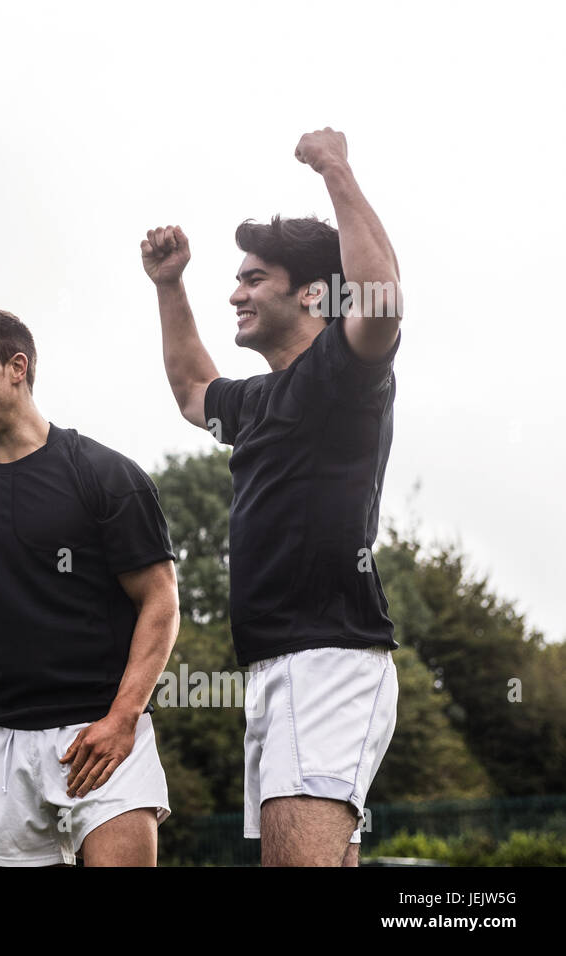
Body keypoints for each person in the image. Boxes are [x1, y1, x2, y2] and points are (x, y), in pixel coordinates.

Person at [142, 127, 403, 866]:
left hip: (327, 660)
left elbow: (381, 296)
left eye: (254, 278)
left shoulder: (344, 371)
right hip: (276, 667)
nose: (237, 292)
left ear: (313, 293)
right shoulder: (257, 401)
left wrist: (334, 168)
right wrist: (170, 287)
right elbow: (193, 389)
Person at [0, 308, 179, 866]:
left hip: (103, 734)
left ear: (16, 367)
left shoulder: (104, 474)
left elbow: (160, 601)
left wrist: (123, 719)